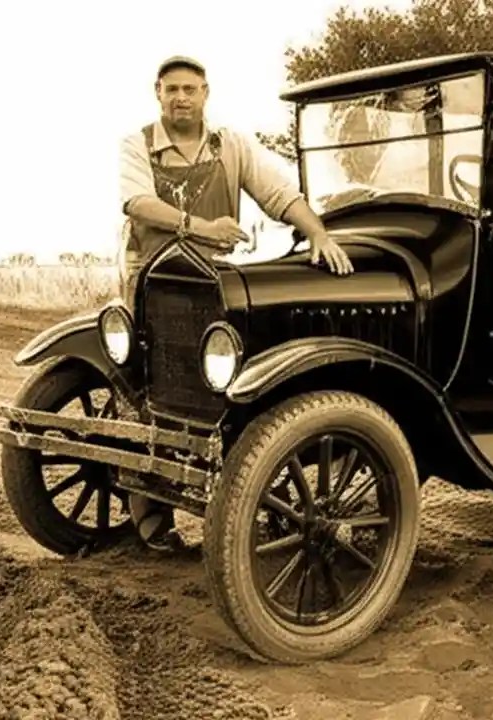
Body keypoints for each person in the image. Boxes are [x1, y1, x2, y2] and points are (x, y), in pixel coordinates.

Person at [117, 55, 354, 550]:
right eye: (172, 89)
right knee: (144, 387)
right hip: (152, 279)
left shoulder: (232, 146)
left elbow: (277, 193)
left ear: (205, 92)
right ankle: (151, 515)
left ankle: (251, 477)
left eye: (190, 89)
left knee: (224, 381)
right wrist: (202, 227)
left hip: (211, 282)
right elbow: (137, 203)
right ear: (157, 93)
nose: (181, 97)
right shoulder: (137, 144)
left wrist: (318, 234)